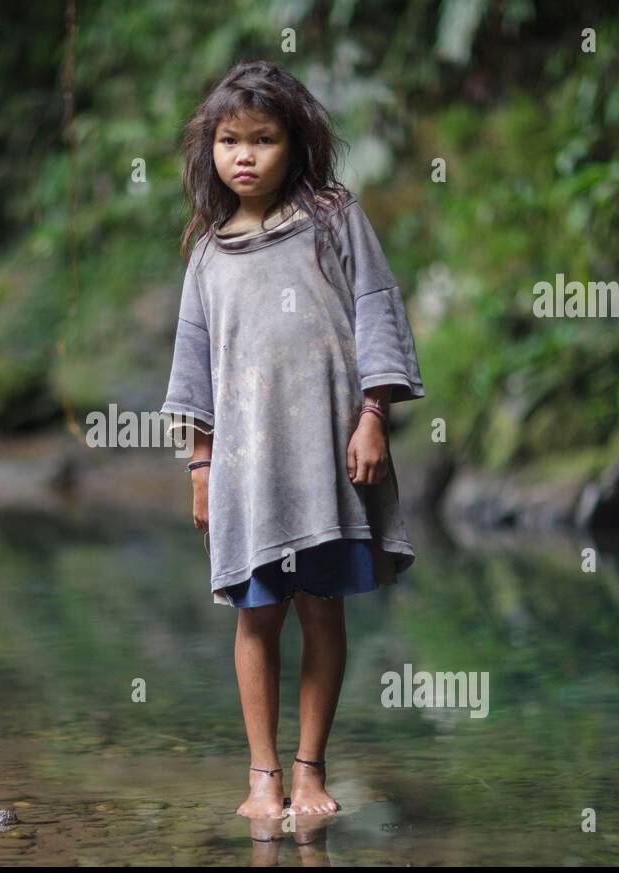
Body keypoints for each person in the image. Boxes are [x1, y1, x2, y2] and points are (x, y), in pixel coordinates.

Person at [160, 60, 426, 819]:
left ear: (296, 143)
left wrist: (374, 414)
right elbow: (192, 369)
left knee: (322, 609)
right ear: (209, 149)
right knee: (256, 615)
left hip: (329, 453)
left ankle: (309, 771)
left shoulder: (335, 218)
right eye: (228, 141)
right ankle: (262, 778)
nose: (243, 156)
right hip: (246, 468)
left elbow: (377, 309)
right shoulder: (209, 254)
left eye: (263, 139)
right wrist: (201, 466)